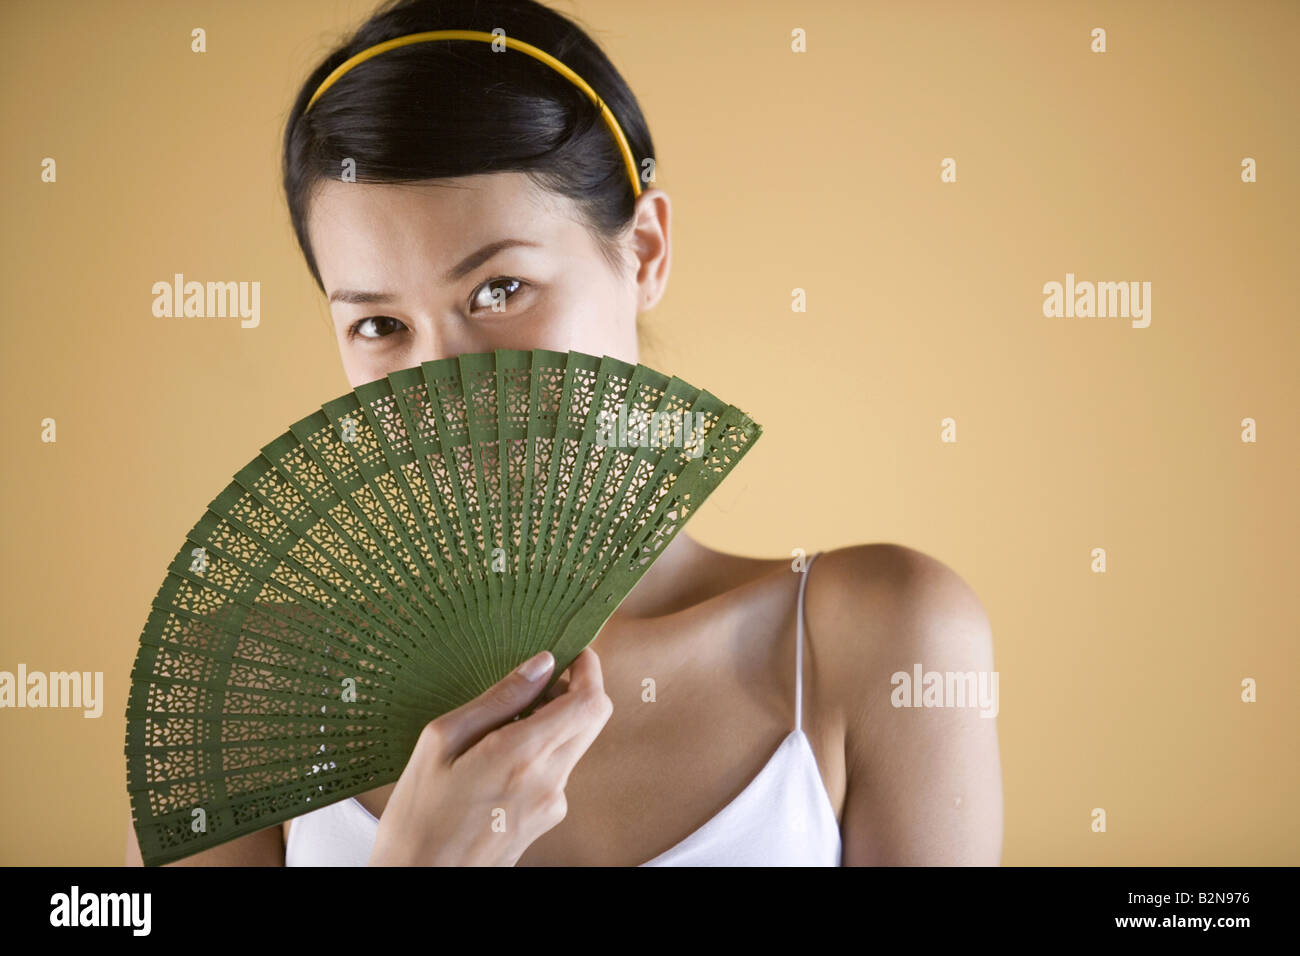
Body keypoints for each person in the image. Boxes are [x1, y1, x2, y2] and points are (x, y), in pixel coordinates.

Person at [126, 0, 1002, 866]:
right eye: (380, 326)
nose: (451, 386)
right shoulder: (242, 697)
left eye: (500, 289)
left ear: (646, 251)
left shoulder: (874, 638)